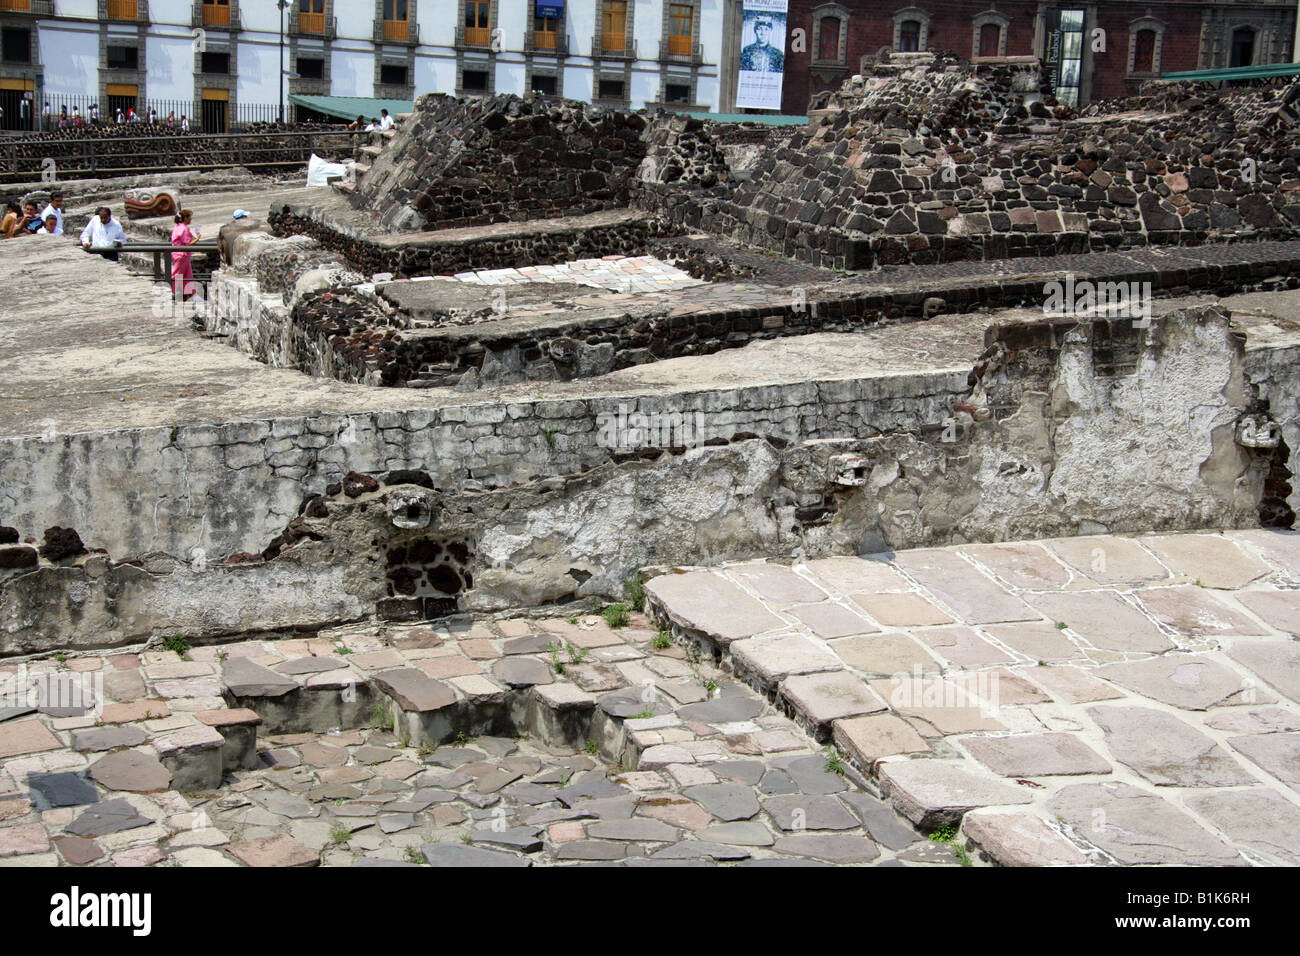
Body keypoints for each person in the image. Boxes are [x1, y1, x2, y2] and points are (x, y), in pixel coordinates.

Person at [170, 209, 201, 299]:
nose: (191, 219)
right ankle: (176, 293)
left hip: (180, 254)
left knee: (187, 274)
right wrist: (197, 238)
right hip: (182, 255)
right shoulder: (184, 228)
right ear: (185, 218)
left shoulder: (178, 227)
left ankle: (191, 293)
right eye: (189, 217)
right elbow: (187, 243)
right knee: (178, 274)